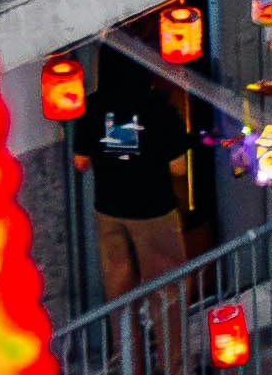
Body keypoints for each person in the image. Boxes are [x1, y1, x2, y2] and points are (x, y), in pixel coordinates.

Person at [72, 37, 200, 315]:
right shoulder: (160, 108)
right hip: (154, 211)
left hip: (108, 210)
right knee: (169, 291)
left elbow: (80, 162)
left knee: (119, 292)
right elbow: (178, 168)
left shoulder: (92, 107)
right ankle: (172, 358)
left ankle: (129, 356)